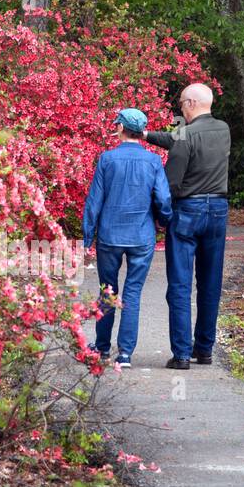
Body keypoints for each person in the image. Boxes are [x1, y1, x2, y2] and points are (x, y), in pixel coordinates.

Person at [145, 83, 230, 370]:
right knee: (210, 282)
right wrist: (145, 135)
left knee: (180, 285)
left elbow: (170, 183)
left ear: (191, 103)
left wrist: (160, 216)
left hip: (188, 211)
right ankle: (204, 350)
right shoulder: (223, 130)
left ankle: (181, 354)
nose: (180, 108)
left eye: (182, 103)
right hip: (218, 210)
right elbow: (179, 139)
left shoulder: (187, 136)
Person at [82, 108, 172, 368]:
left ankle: (101, 349)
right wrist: (163, 221)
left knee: (108, 291)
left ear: (121, 128)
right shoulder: (154, 161)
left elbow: (94, 201)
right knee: (133, 293)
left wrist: (88, 237)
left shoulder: (107, 159)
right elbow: (163, 199)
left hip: (110, 235)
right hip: (141, 236)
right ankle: (125, 353)